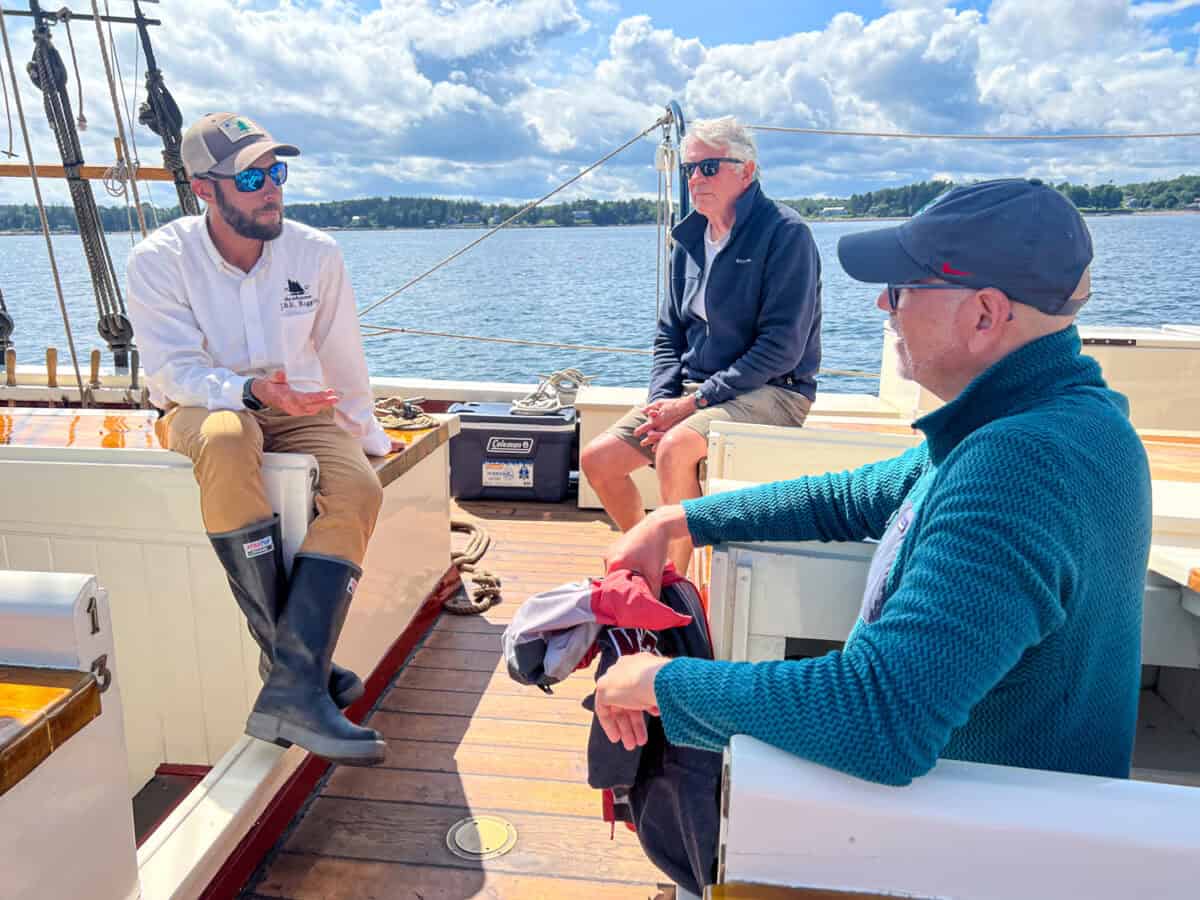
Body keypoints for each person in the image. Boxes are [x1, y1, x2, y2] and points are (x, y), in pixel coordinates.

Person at [593, 178, 1153, 786]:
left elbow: (877, 718)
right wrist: (680, 520)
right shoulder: (1055, 417)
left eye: (902, 288)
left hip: (979, 844)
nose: (884, 307)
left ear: (985, 315)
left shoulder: (1023, 466)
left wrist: (656, 682)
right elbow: (853, 498)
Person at [125, 112, 405, 766]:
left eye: (276, 172)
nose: (271, 188)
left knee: (360, 490)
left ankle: (290, 682)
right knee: (227, 438)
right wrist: (249, 393)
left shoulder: (317, 252)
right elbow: (174, 371)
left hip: (300, 405)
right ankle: (300, 678)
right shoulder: (159, 260)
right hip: (202, 403)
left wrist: (367, 436)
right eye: (250, 177)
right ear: (204, 190)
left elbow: (343, 359)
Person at [580, 116, 822, 574]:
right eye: (689, 169)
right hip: (696, 392)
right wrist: (662, 401)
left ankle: (678, 589)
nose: (695, 179)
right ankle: (651, 562)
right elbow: (668, 334)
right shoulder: (689, 240)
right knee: (599, 461)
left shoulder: (785, 234)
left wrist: (693, 405)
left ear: (746, 172)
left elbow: (781, 348)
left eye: (709, 167)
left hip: (776, 391)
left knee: (674, 447)